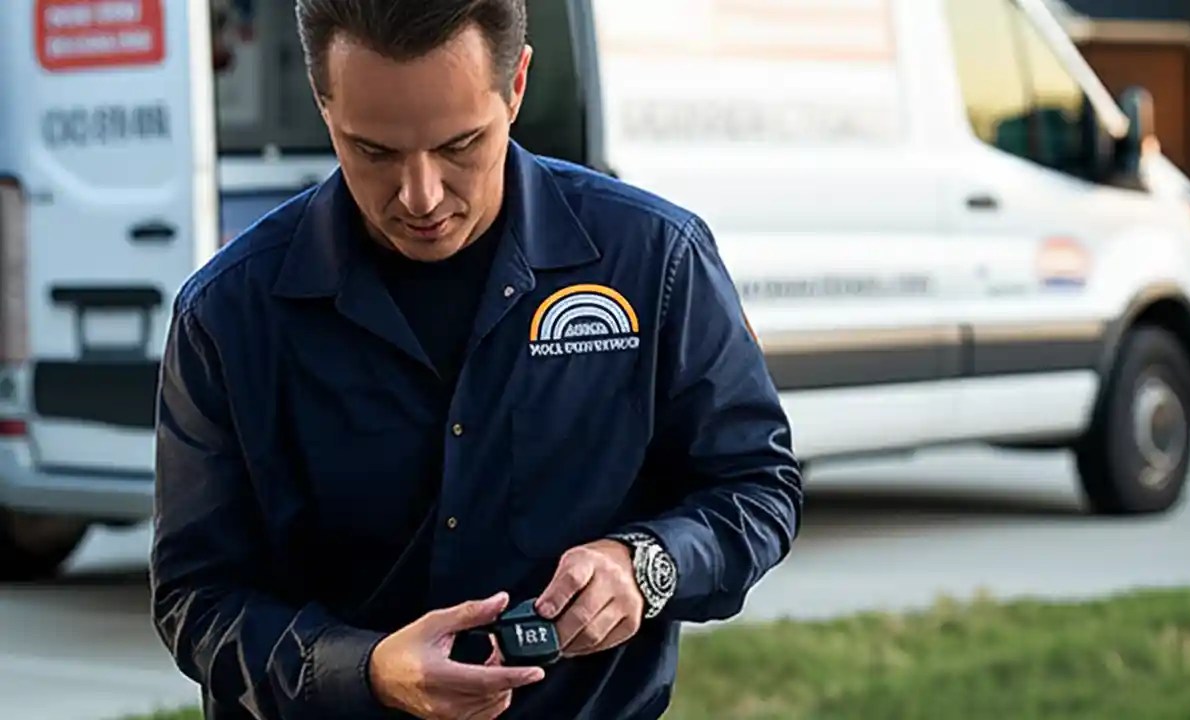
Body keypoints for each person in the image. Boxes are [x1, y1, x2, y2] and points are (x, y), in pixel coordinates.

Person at [149, 1, 803, 718]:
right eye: (374, 151)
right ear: (321, 101)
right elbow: (196, 597)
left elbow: (755, 487)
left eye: (460, 145)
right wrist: (362, 672)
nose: (420, 196)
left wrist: (645, 564)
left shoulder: (654, 261)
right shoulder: (227, 314)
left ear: (516, 85)